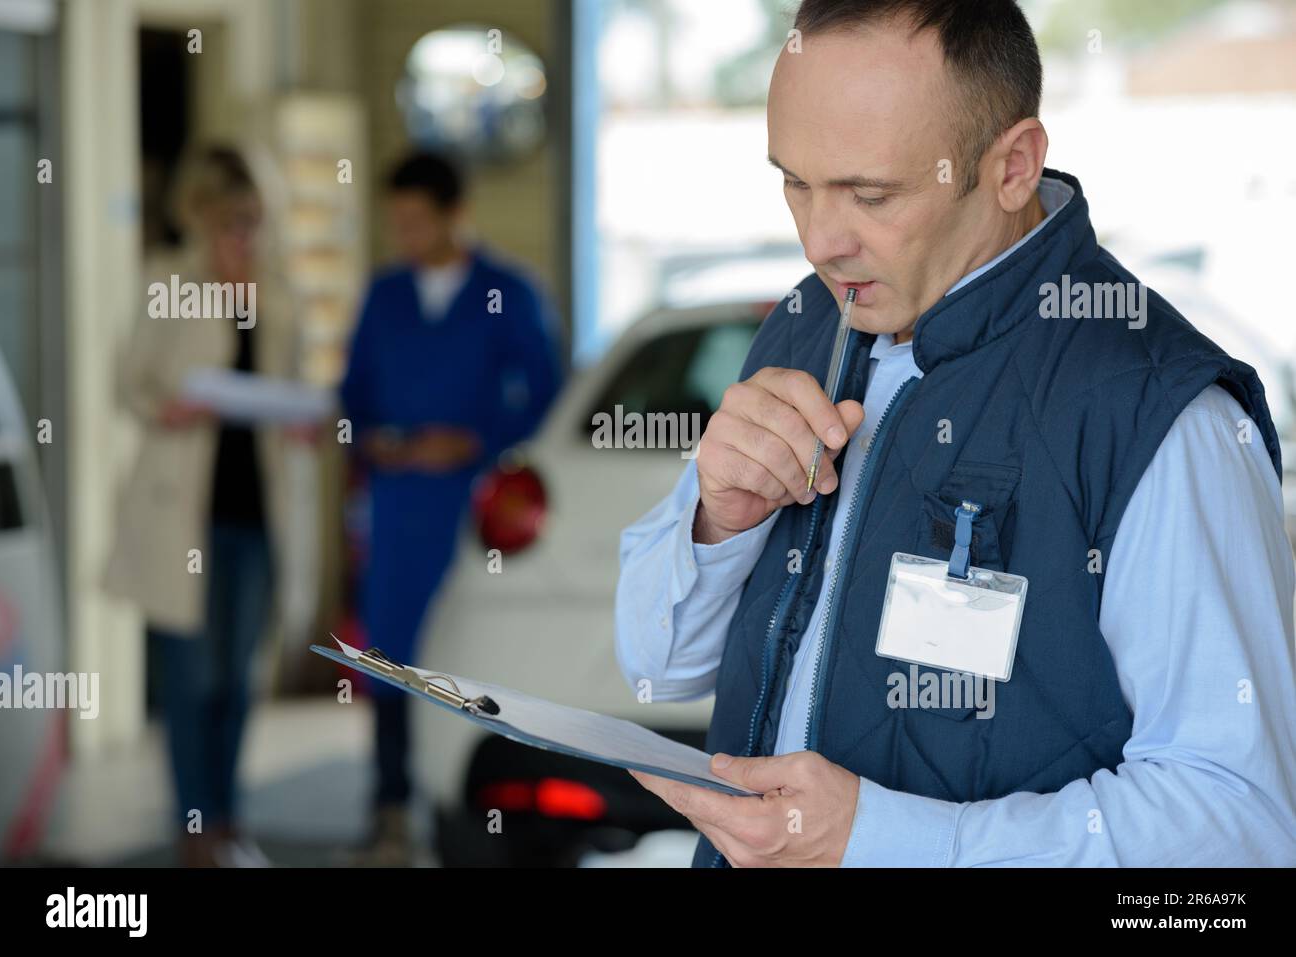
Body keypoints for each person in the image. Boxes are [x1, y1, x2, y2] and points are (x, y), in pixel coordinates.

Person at [615, 0, 1296, 867]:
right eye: (793, 180)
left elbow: (1239, 827)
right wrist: (718, 523)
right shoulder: (806, 328)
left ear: (1013, 166)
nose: (821, 240)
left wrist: (885, 841)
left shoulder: (1161, 415)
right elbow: (657, 665)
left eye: (871, 193)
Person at [339, 151, 564, 865]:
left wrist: (473, 443)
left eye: (417, 221)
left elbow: (547, 397)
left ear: (454, 214)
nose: (405, 235)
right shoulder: (384, 296)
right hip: (398, 506)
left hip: (473, 512)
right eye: (395, 222)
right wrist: (380, 441)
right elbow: (352, 394)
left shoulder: (506, 291)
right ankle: (390, 808)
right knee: (389, 657)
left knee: (471, 654)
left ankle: (477, 809)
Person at [106, 145, 307, 867]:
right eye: (228, 223)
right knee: (189, 680)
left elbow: (296, 393)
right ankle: (195, 827)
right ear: (200, 221)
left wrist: (308, 420)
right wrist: (173, 406)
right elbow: (128, 383)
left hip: (256, 515)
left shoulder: (280, 296)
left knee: (238, 680)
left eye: (252, 221)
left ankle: (227, 821)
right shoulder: (168, 281)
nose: (241, 237)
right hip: (178, 513)